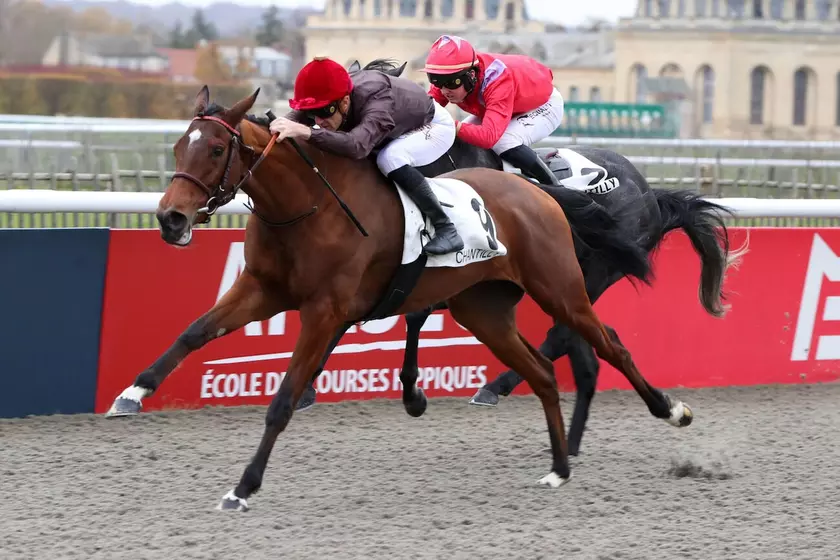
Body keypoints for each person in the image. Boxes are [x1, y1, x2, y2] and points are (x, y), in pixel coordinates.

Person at [268, 56, 464, 256]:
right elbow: (294, 118)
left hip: (432, 125)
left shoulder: (376, 99)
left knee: (389, 158)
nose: (318, 120)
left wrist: (306, 131)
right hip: (399, 122)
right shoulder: (333, 96)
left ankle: (446, 228)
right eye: (312, 114)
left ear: (345, 102)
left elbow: (357, 146)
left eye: (324, 112)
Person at [423, 35, 565, 187]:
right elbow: (424, 110)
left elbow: (488, 137)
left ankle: (556, 189)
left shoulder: (497, 79)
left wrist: (449, 125)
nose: (444, 91)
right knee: (461, 139)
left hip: (543, 105)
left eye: (452, 83)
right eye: (436, 81)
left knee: (504, 141)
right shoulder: (450, 76)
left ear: (471, 75)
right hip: (507, 104)